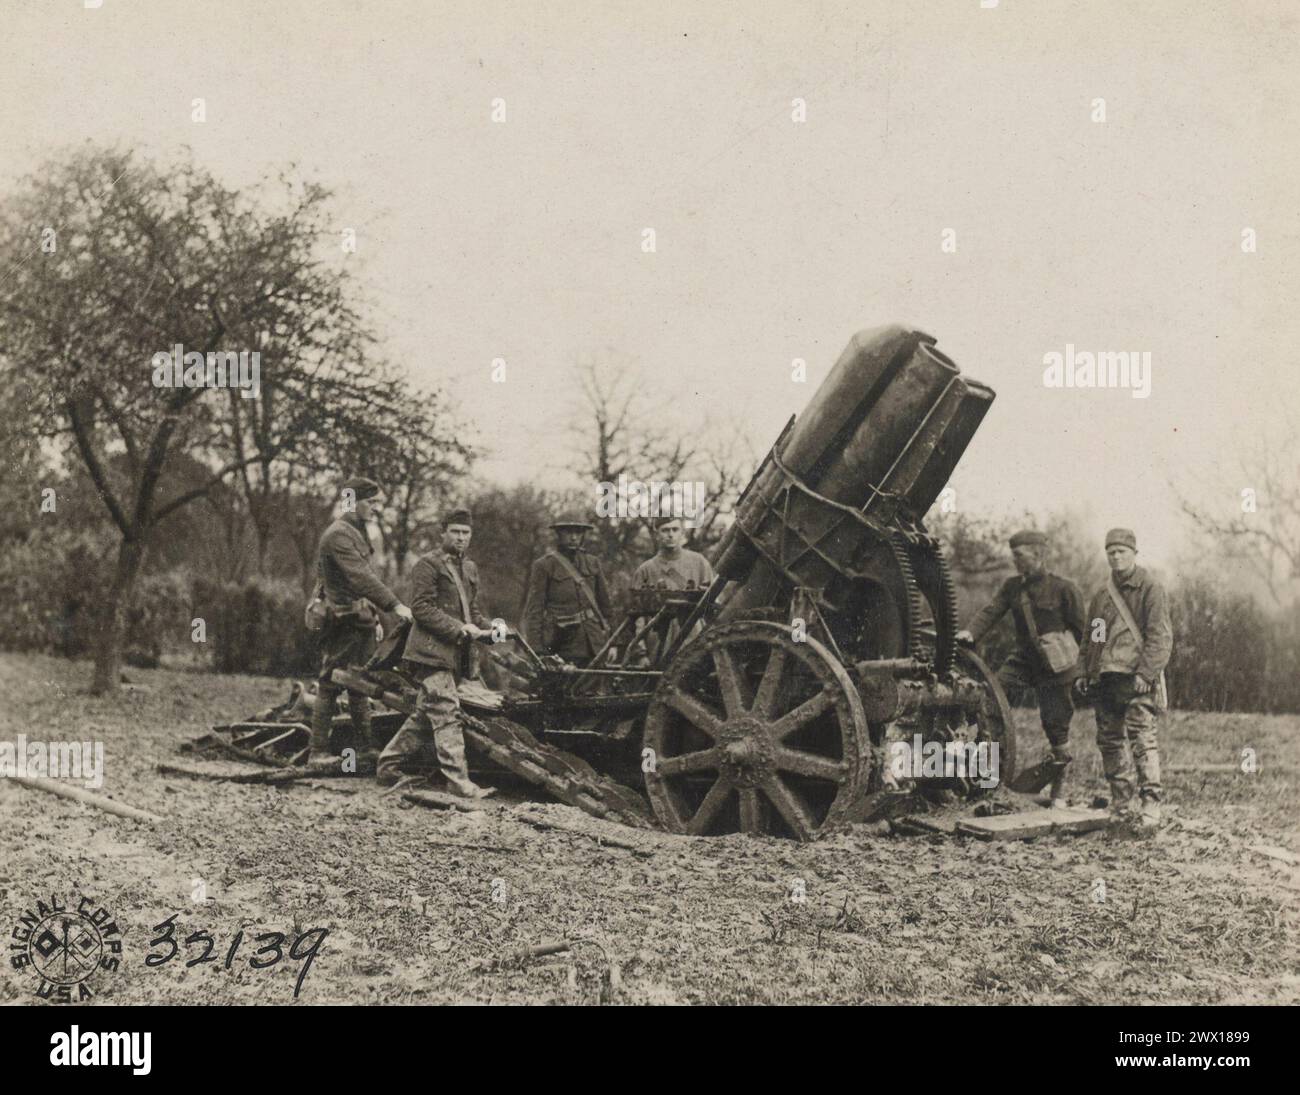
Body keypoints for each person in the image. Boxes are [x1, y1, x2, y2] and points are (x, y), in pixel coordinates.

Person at [957, 529, 1085, 806]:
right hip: (1024, 660)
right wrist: (971, 633)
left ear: (1038, 555)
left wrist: (1085, 668)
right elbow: (992, 610)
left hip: (1058, 667)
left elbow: (1085, 631)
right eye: (1013, 555)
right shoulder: (1012, 587)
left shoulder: (1065, 589)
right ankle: (986, 776)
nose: (1015, 561)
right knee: (993, 698)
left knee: (1056, 725)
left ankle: (1058, 793)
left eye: (1019, 555)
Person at [375, 508, 495, 798]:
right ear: (442, 533)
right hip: (428, 653)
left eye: (466, 533)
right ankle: (457, 780)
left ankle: (387, 767)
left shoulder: (469, 569)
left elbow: (473, 611)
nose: (460, 538)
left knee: (424, 714)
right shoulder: (427, 565)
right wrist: (459, 629)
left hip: (452, 656)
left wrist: (491, 630)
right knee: (446, 712)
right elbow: (421, 608)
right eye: (455, 532)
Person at [306, 477, 412, 770]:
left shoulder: (357, 532)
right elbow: (360, 578)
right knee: (330, 682)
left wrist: (375, 617)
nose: (377, 508)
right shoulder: (339, 535)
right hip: (342, 619)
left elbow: (361, 581)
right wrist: (394, 605)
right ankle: (317, 752)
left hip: (359, 618)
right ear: (352, 501)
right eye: (371, 502)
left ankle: (365, 750)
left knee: (360, 684)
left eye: (379, 503)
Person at [1077, 528, 1173, 830]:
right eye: (1111, 552)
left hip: (1135, 679)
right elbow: (1093, 637)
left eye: (1122, 551)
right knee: (1110, 743)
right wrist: (1085, 671)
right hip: (1106, 679)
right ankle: (1120, 804)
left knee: (1143, 742)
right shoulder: (1103, 595)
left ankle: (1150, 806)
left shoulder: (1150, 588)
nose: (1116, 557)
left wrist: (1147, 673)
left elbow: (1160, 636)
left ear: (1134, 553)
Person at [522, 513, 613, 664]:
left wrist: (613, 643)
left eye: (578, 532)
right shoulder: (545, 565)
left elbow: (606, 606)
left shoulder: (592, 563)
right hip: (561, 643)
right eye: (568, 532)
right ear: (559, 534)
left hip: (594, 643)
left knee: (597, 686)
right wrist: (537, 650)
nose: (573, 537)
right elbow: (534, 611)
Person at [632, 514, 714, 658]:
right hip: (659, 641)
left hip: (693, 638)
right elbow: (638, 617)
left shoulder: (699, 563)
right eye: (665, 530)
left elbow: (712, 607)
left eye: (675, 530)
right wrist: (641, 653)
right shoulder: (645, 570)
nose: (670, 535)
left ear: (682, 533)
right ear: (656, 534)